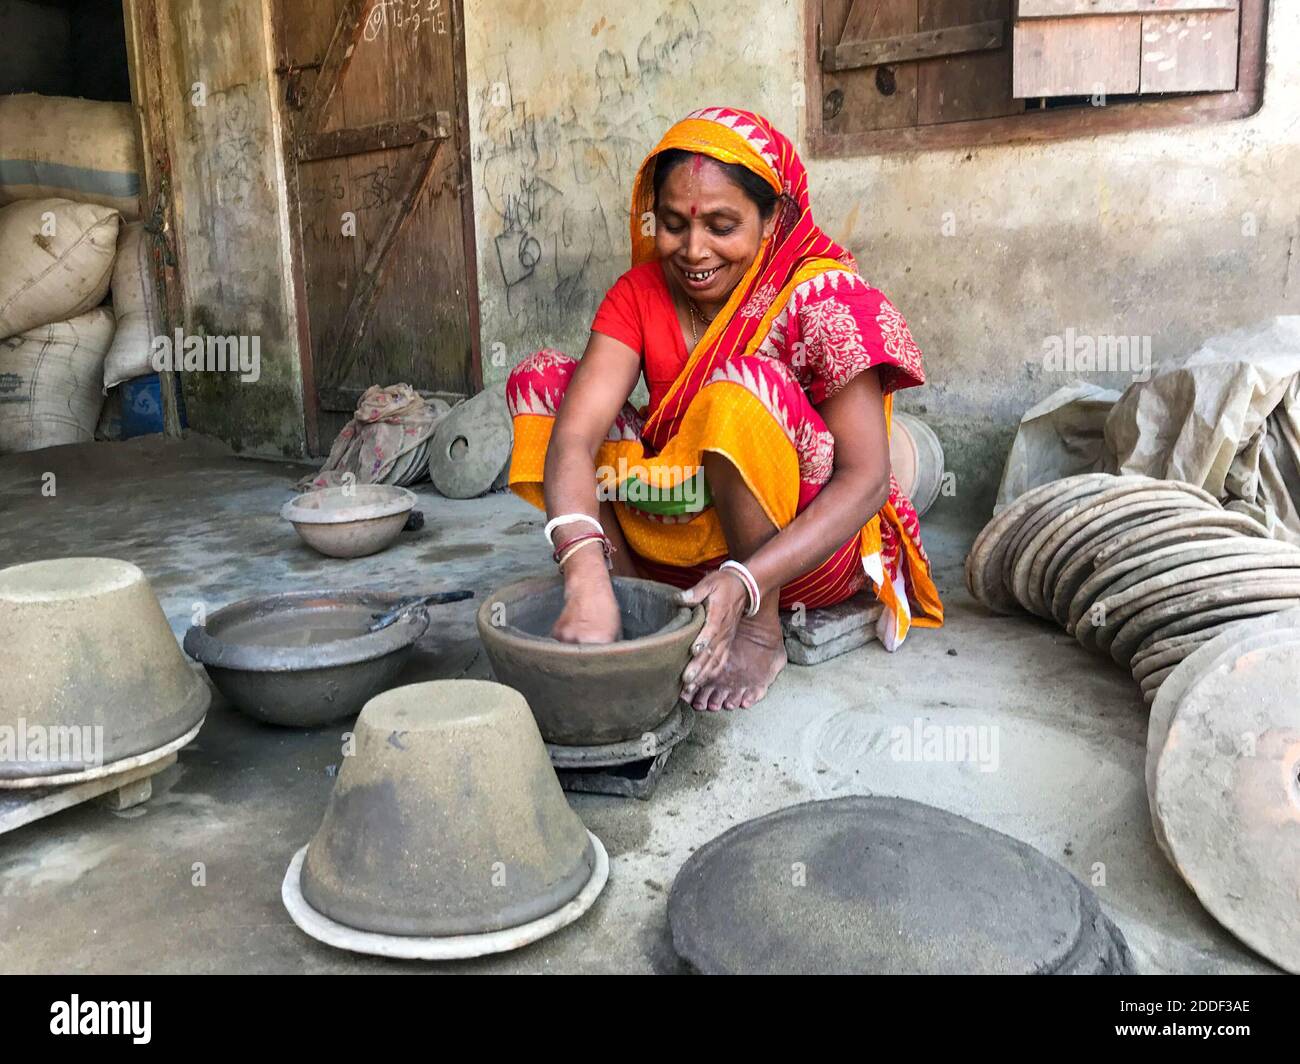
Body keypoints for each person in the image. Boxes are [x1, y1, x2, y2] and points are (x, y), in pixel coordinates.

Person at [505, 106, 942, 713]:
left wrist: (748, 582)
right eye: (676, 224)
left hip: (796, 561)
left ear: (772, 220)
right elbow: (575, 440)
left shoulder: (822, 298)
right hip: (671, 543)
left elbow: (867, 482)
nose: (693, 249)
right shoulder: (639, 294)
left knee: (737, 390)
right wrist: (584, 574)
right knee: (544, 386)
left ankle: (758, 633)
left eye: (721, 224)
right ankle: (632, 597)